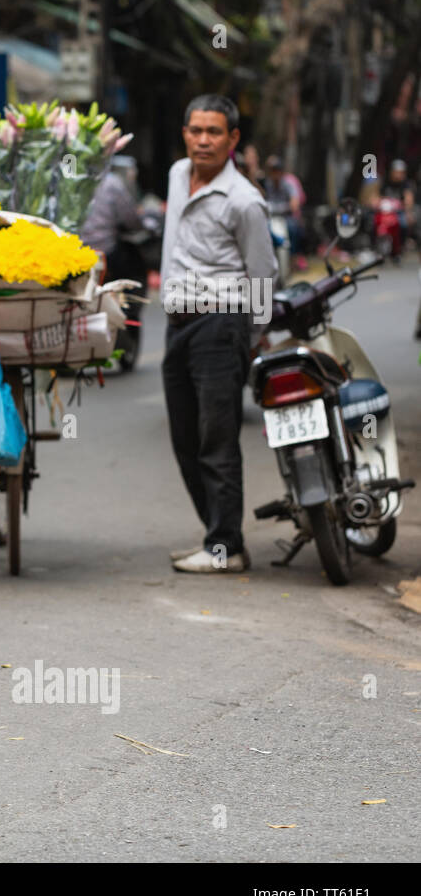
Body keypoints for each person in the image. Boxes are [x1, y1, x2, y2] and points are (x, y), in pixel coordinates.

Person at [160, 94, 277, 574]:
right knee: (185, 438)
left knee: (217, 440)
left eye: (214, 132)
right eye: (195, 130)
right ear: (185, 133)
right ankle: (218, 538)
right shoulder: (174, 175)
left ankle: (225, 546)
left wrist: (252, 335)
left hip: (220, 323)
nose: (203, 140)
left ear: (233, 139)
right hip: (177, 324)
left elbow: (263, 273)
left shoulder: (245, 201)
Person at [262, 155, 306, 256]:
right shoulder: (267, 184)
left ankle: (293, 256)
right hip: (271, 218)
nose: (275, 173)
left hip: (286, 217)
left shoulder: (288, 183)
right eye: (272, 170)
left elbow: (294, 204)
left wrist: (281, 208)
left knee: (293, 229)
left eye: (276, 170)